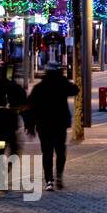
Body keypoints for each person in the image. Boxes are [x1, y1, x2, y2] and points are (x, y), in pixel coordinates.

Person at [25, 62, 79, 191]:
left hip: (44, 125)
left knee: (47, 152)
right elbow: (75, 89)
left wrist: (30, 125)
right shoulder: (62, 85)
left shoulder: (39, 87)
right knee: (60, 151)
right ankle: (59, 175)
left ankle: (49, 180)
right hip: (59, 124)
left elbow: (30, 106)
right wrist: (63, 78)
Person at [0, 64, 27, 168]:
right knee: (15, 149)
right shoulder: (15, 86)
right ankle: (8, 166)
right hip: (11, 123)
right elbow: (23, 104)